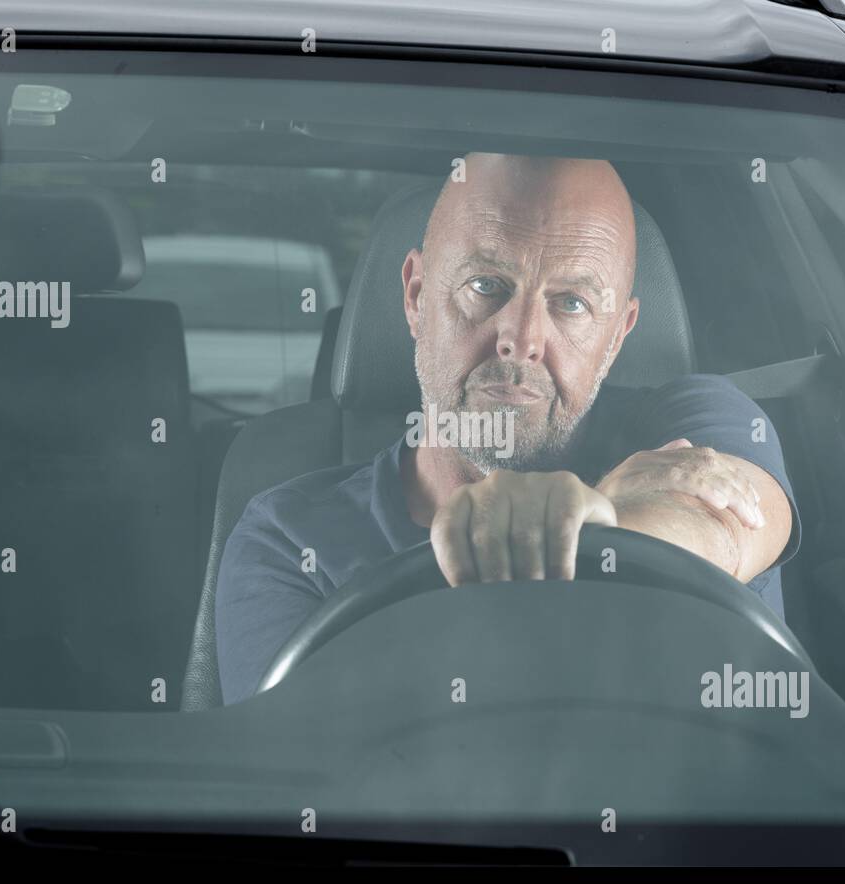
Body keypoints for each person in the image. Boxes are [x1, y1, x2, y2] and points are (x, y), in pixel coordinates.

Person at [215, 153, 799, 704]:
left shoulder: (696, 422)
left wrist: (605, 522)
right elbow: (301, 784)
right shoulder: (293, 540)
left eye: (570, 303)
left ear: (618, 335)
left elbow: (734, 525)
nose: (521, 338)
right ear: (417, 296)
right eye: (486, 286)